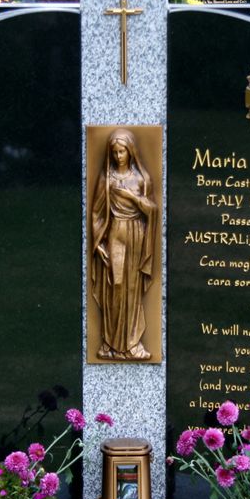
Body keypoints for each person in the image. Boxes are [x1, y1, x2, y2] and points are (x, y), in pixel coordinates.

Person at [90, 128, 157, 361]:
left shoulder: (141, 178)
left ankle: (132, 344)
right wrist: (98, 244)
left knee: (132, 289)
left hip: (137, 235)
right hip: (115, 234)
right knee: (116, 288)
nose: (119, 156)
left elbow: (152, 211)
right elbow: (97, 213)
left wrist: (131, 197)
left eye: (122, 152)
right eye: (115, 152)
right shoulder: (106, 178)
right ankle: (110, 344)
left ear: (130, 152)